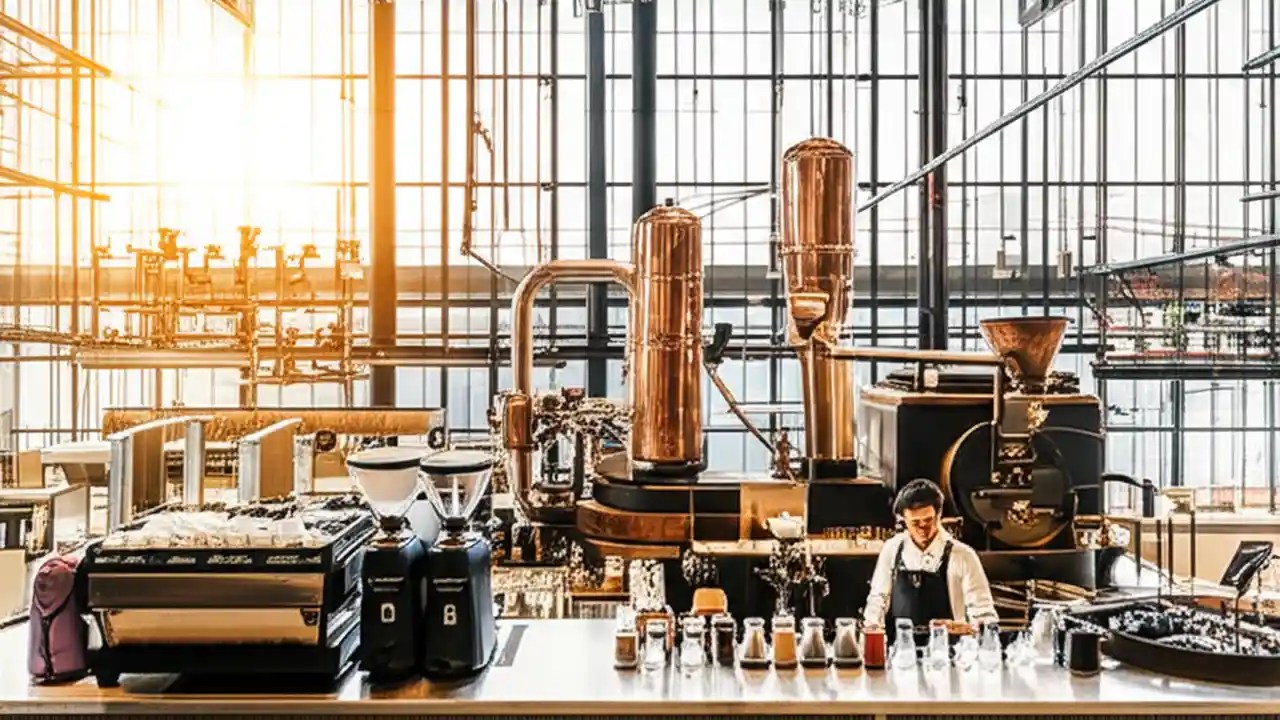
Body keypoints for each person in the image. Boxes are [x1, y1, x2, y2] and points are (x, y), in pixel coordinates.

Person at [863, 478, 998, 638]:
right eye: (915, 523)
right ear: (903, 520)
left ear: (939, 515)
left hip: (949, 653)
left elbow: (986, 617)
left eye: (928, 521)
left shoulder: (963, 556)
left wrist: (965, 628)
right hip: (900, 650)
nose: (922, 529)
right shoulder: (892, 549)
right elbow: (878, 600)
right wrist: (872, 628)